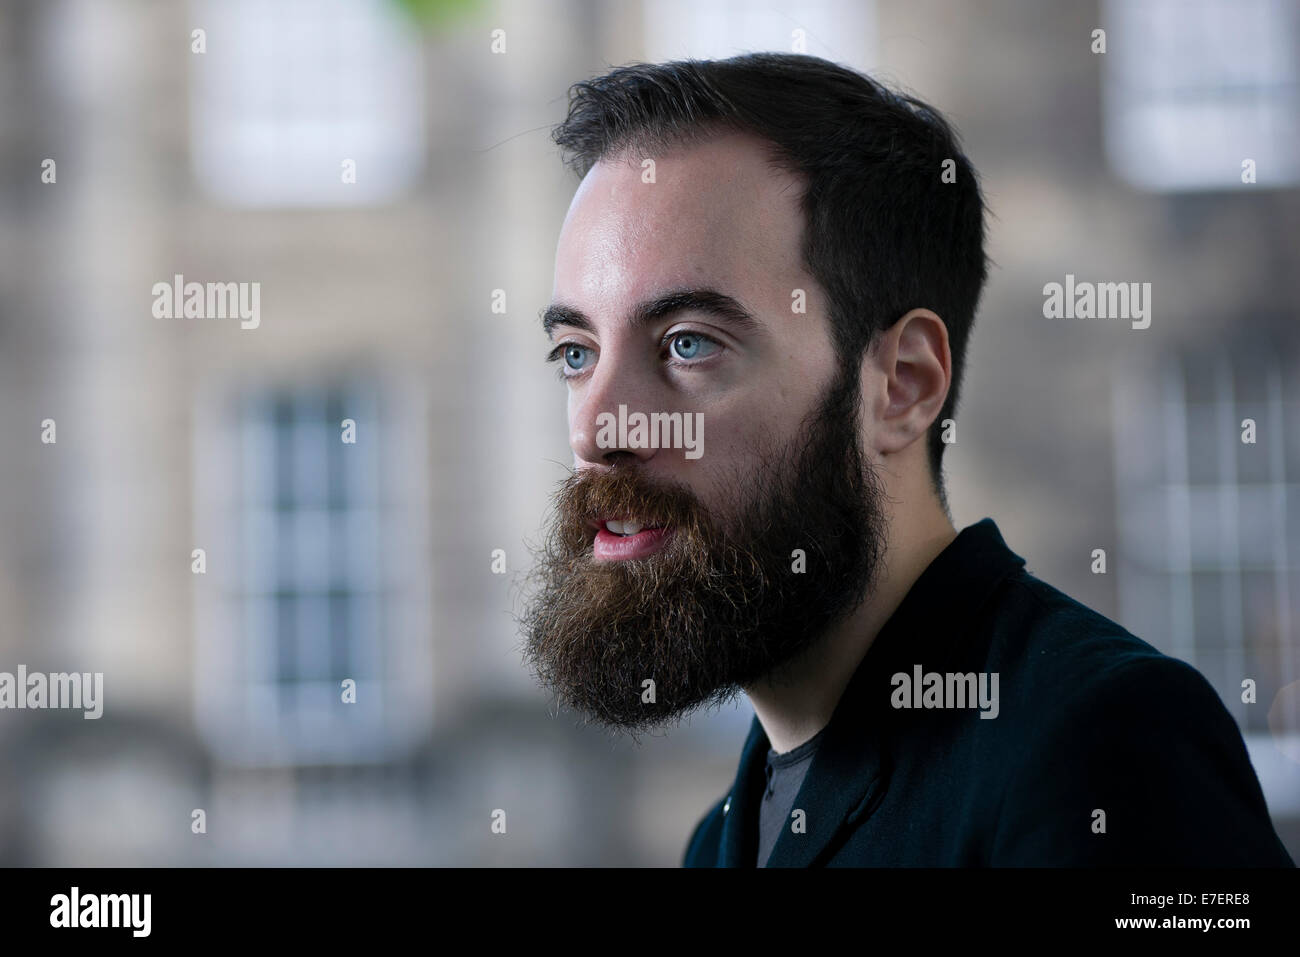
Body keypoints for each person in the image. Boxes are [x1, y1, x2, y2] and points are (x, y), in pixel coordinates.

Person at [521, 53, 1294, 867]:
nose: (597, 427)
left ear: (903, 384)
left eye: (687, 344)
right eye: (576, 354)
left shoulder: (1102, 743)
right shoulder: (721, 840)